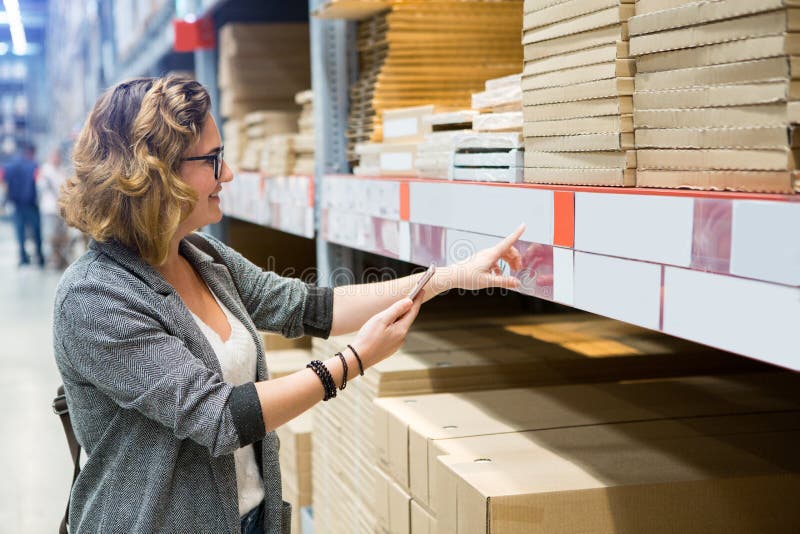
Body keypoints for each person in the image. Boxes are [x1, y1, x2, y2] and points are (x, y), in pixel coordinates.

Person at [53, 76, 524, 534]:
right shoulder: (95, 297)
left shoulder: (203, 258)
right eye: (214, 159)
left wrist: (447, 277)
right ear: (155, 174)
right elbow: (219, 417)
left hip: (249, 517)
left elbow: (311, 307)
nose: (229, 173)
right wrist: (354, 361)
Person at [3, 142, 44, 266]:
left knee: (20, 232)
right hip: (31, 204)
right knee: (36, 232)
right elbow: (39, 184)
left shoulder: (12, 165)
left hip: (17, 204)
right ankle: (40, 258)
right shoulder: (34, 165)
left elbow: (4, 178)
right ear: (31, 153)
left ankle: (23, 258)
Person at [37, 149, 69, 268]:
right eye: (54, 156)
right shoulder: (45, 171)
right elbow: (40, 189)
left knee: (61, 237)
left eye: (58, 157)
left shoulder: (61, 170)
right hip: (49, 209)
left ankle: (60, 259)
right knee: (49, 236)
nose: (56, 159)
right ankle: (50, 261)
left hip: (61, 210)